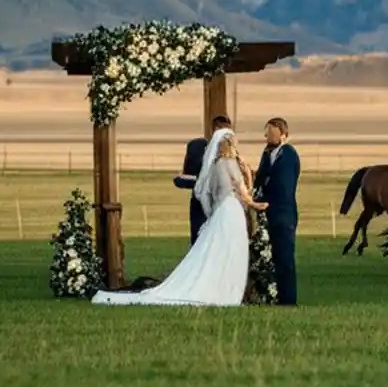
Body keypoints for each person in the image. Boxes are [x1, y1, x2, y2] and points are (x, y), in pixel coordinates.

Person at [93, 128, 267, 307]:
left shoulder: (215, 165)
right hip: (232, 209)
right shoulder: (229, 163)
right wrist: (252, 196)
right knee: (231, 250)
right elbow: (240, 190)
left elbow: (210, 192)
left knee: (218, 249)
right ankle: (227, 291)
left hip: (222, 210)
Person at [253, 117, 300, 306]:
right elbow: (262, 178)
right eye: (266, 132)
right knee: (271, 257)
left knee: (284, 257)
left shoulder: (288, 155)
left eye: (271, 132)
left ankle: (288, 299)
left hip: (282, 213)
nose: (267, 136)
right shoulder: (267, 154)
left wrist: (265, 194)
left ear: (283, 135)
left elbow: (283, 185)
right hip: (268, 212)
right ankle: (272, 294)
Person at [175, 116, 232, 245]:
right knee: (199, 241)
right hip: (200, 205)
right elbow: (185, 176)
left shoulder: (232, 154)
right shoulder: (197, 148)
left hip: (223, 204)